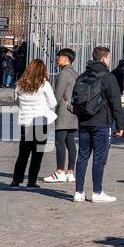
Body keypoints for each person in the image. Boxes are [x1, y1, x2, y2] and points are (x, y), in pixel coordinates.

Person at [72, 46, 124, 203]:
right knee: (99, 158)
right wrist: (120, 125)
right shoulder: (108, 78)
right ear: (103, 59)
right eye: (109, 58)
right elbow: (116, 103)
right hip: (102, 122)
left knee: (82, 156)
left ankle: (78, 192)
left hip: (84, 121)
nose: (109, 61)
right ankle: (97, 191)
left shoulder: (82, 76)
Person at [11, 58, 57, 188]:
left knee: (23, 153)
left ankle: (16, 180)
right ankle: (31, 181)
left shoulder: (20, 84)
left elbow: (16, 101)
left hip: (25, 121)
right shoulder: (44, 85)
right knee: (37, 154)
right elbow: (53, 103)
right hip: (39, 122)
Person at [44, 48, 80, 184]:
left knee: (60, 141)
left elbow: (57, 96)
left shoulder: (63, 74)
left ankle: (59, 171)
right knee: (70, 142)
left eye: (59, 56)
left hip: (63, 112)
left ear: (66, 58)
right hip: (73, 111)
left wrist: (50, 109)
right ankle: (70, 172)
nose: (57, 59)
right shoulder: (76, 73)